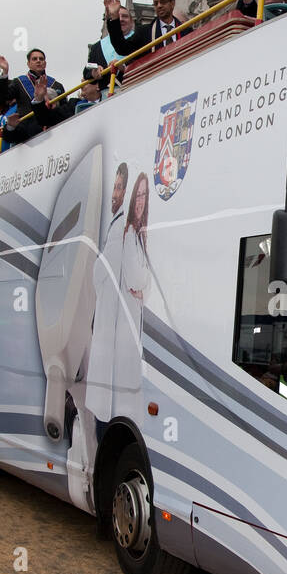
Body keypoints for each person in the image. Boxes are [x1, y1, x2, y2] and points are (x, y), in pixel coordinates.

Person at [86, 163, 131, 431]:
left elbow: (101, 270)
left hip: (110, 333)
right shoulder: (115, 223)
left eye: (118, 188)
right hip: (106, 330)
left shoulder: (119, 226)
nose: (113, 194)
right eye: (113, 187)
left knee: (104, 414)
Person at [112, 173, 152, 424]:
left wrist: (141, 288)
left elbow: (144, 286)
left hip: (135, 330)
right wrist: (140, 287)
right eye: (138, 194)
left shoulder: (140, 234)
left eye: (144, 195)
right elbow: (137, 280)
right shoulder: (128, 233)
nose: (140, 200)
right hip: (125, 334)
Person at [0, 49, 65, 145]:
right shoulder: (19, 83)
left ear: (45, 63)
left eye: (41, 59)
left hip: (55, 132)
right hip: (28, 135)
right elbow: (3, 97)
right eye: (34, 59)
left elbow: (64, 108)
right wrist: (5, 72)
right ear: (28, 64)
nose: (38, 61)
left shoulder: (56, 85)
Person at [105, 0, 190, 60]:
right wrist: (114, 16)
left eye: (163, 2)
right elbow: (122, 48)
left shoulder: (187, 30)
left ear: (172, 3)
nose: (159, 6)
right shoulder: (144, 32)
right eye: (156, 3)